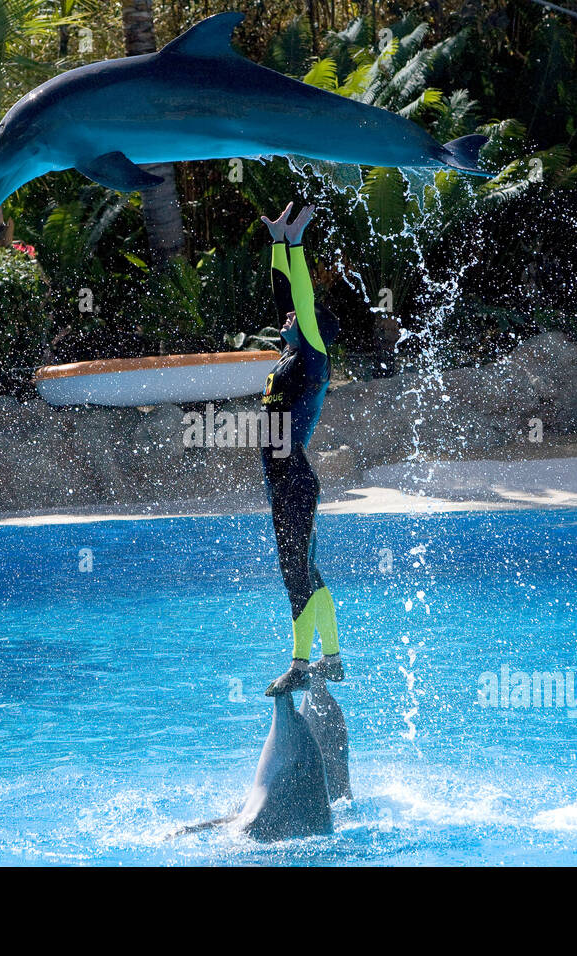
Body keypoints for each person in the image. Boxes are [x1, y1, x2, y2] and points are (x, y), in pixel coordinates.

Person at [258, 203, 345, 696]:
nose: (288, 317)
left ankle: (300, 664)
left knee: (296, 575)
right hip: (284, 481)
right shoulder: (291, 354)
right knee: (306, 570)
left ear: (314, 329)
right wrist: (277, 241)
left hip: (293, 480)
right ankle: (331, 659)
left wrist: (298, 244)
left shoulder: (313, 357)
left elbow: (302, 301)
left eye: (299, 318)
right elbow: (284, 298)